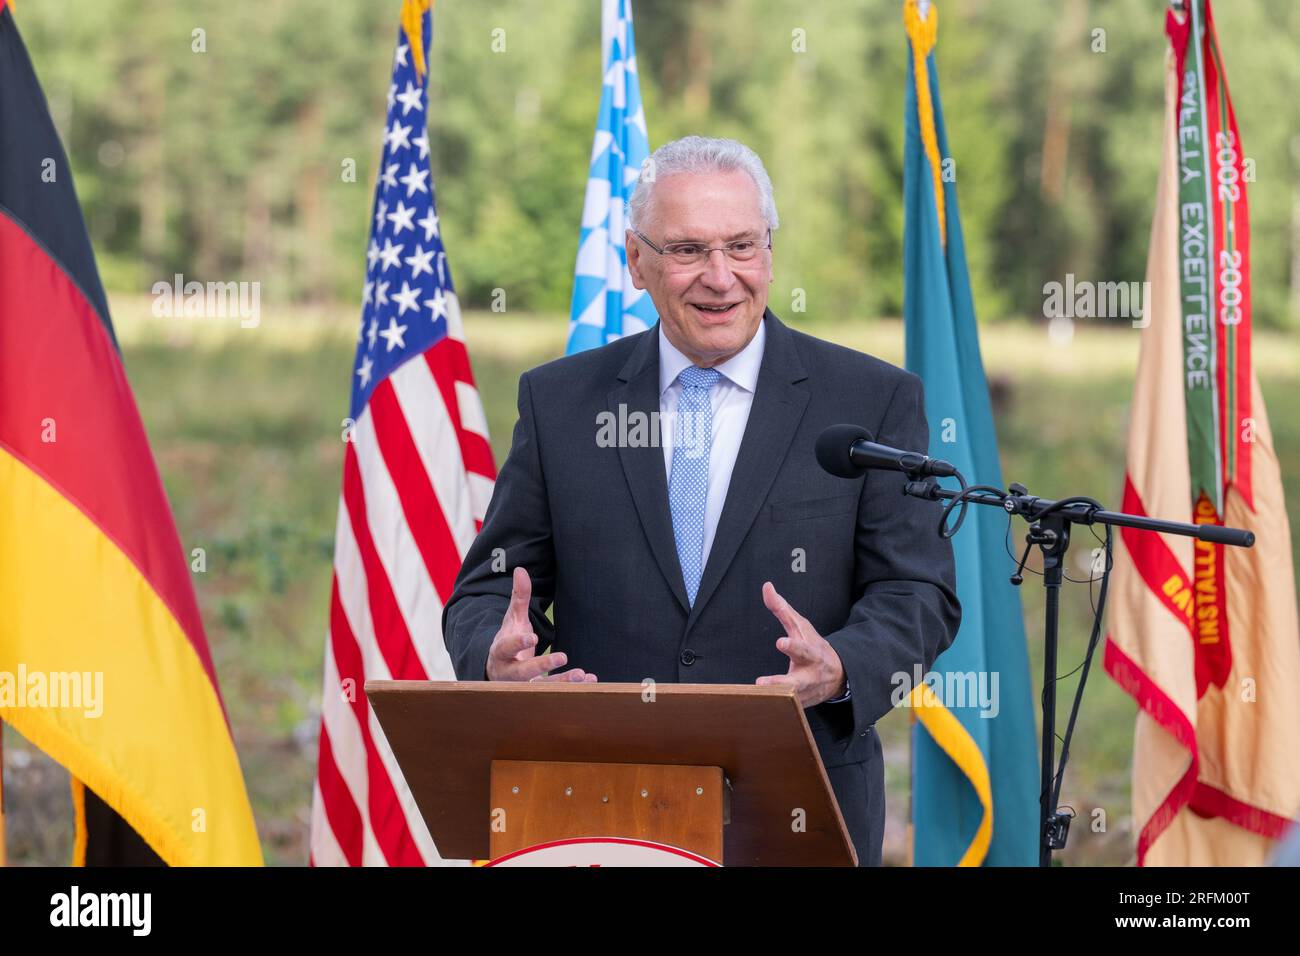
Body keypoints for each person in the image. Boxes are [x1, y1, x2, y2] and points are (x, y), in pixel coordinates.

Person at [443, 135, 960, 865]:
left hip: (801, 805)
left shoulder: (870, 399)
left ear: (770, 252)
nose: (721, 278)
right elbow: (488, 588)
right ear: (635, 260)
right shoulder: (559, 402)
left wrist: (843, 665)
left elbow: (917, 591)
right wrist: (495, 659)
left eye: (742, 246)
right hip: (598, 806)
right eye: (688, 250)